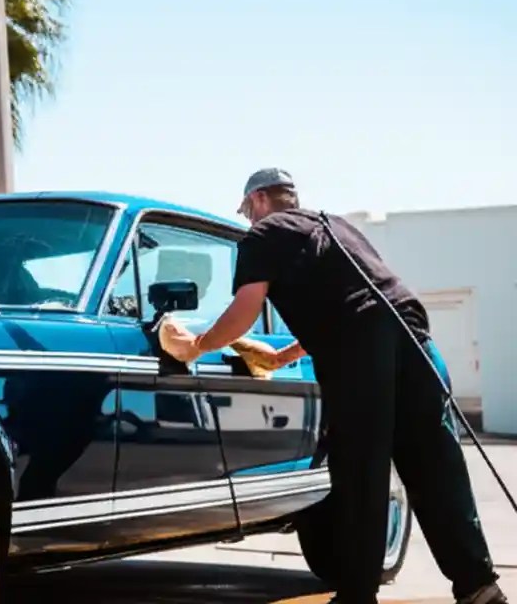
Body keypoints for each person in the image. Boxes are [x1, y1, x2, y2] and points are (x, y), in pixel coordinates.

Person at [165, 167, 506, 604]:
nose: (248, 218)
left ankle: (356, 596)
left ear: (261, 200)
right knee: (436, 466)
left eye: (246, 209)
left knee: (361, 470)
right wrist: (283, 356)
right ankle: (480, 587)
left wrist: (197, 346)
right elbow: (358, 305)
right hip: (416, 338)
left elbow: (244, 312)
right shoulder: (335, 225)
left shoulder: (265, 233)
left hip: (363, 349)